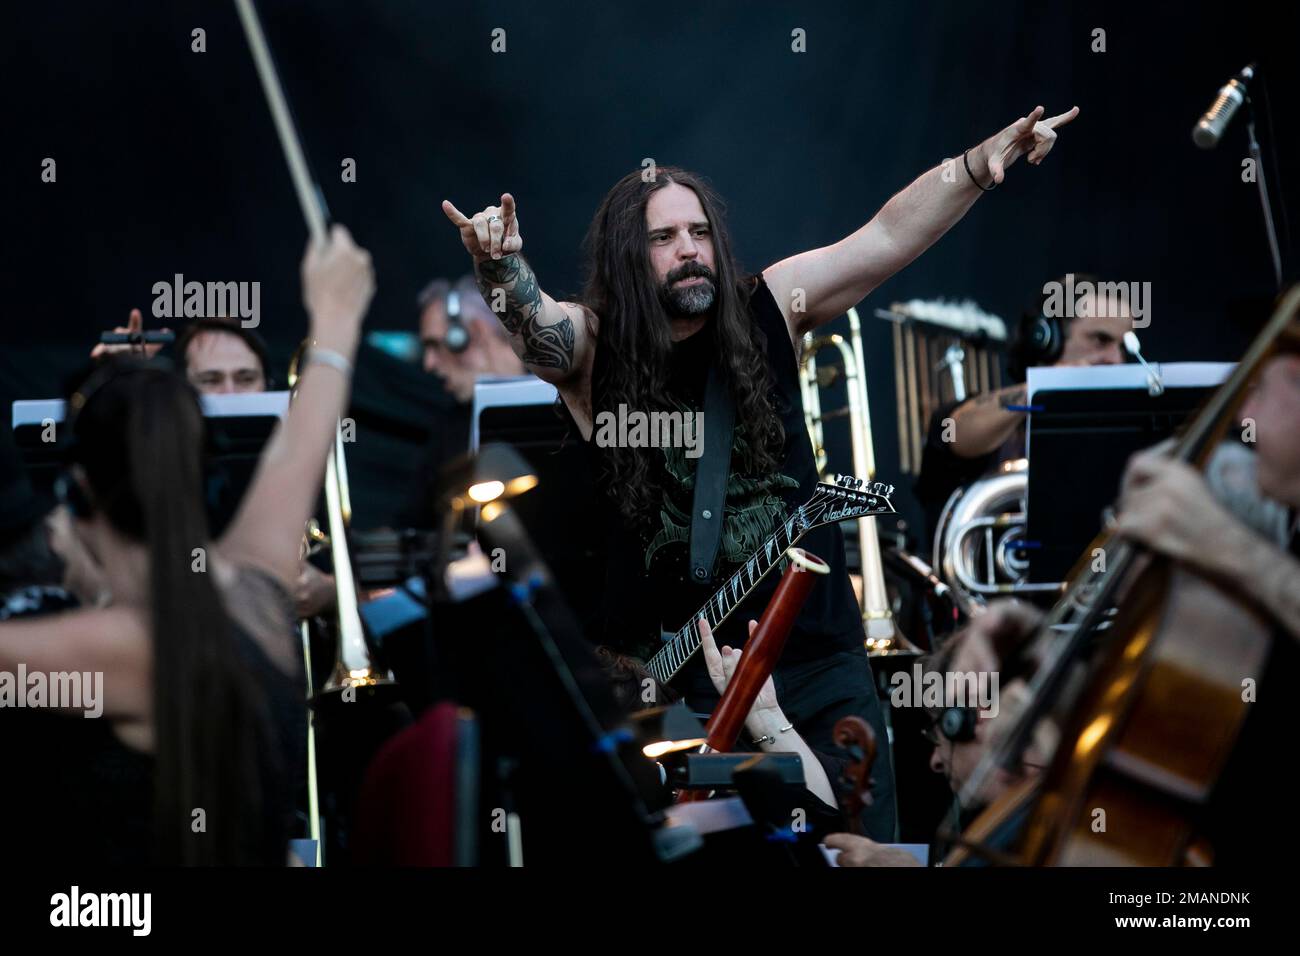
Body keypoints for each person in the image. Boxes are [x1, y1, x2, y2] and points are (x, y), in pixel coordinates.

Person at [443, 103, 1079, 841]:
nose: (689, 250)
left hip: (816, 663)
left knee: (855, 856)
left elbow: (886, 235)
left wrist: (973, 167)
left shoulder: (771, 304)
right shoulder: (594, 346)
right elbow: (535, 328)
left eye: (699, 232)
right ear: (627, 254)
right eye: (663, 238)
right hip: (682, 687)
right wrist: (499, 266)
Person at [0, 224, 374, 864]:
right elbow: (302, 439)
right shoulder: (257, 591)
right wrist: (337, 317)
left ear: (83, 493)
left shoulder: (126, 648)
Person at [913, 274, 1134, 540]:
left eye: (1123, 346)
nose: (1116, 359)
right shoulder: (989, 418)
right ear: (1045, 338)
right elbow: (957, 432)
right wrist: (1051, 383)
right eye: (1100, 340)